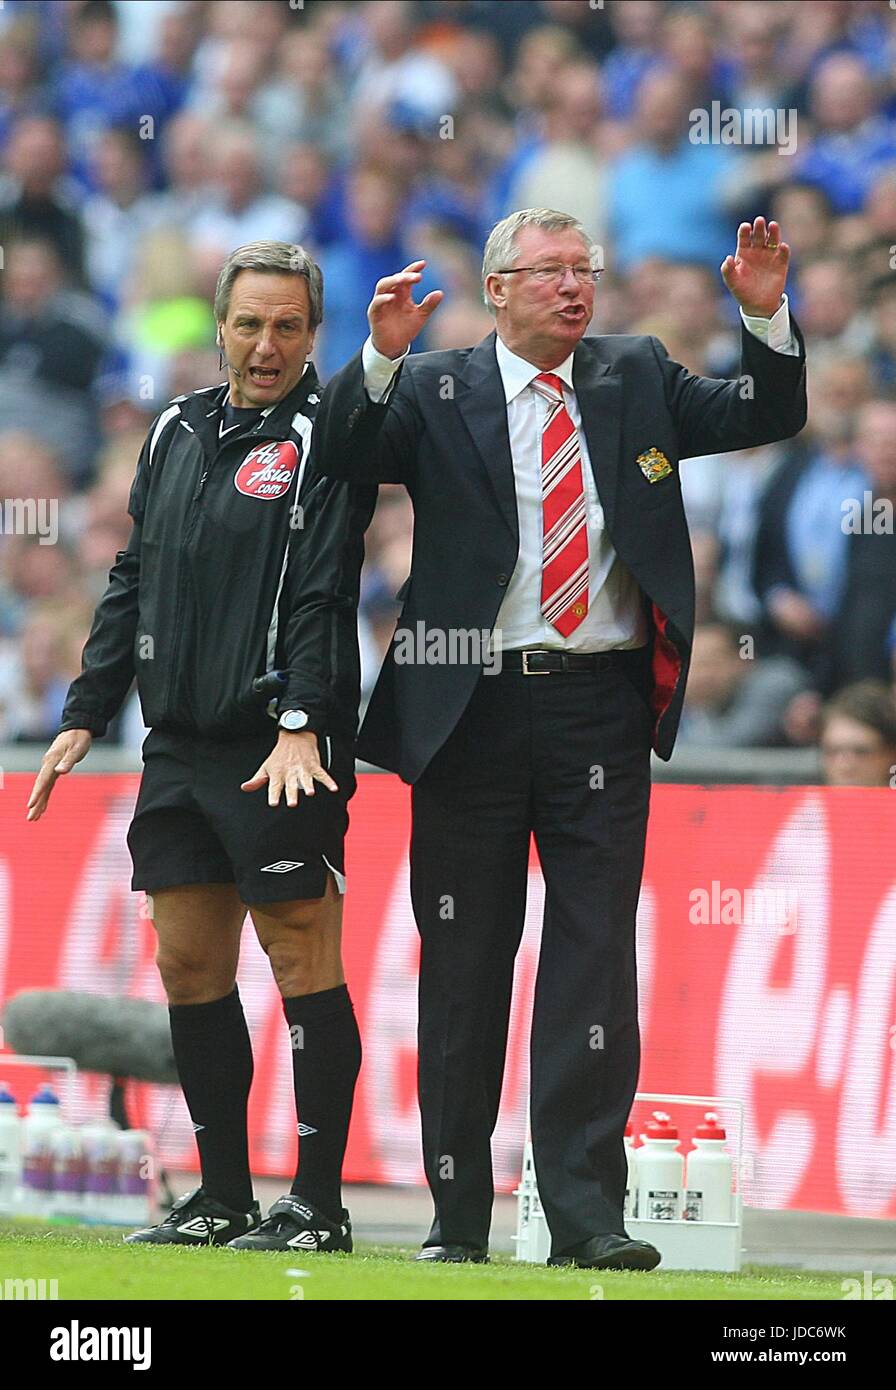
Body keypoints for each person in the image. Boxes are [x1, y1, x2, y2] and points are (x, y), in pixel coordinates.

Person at [309, 207, 807, 1269]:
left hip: (599, 705)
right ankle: (455, 1219)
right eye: (548, 273)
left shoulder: (636, 373)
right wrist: (379, 358)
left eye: (584, 269)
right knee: (463, 966)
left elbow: (764, 414)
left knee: (591, 964)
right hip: (468, 708)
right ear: (495, 288)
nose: (573, 287)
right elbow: (345, 452)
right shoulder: (439, 388)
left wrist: (761, 315)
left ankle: (585, 1216)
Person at [26, 240, 377, 1253]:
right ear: (218, 327)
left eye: (288, 327)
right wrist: (86, 707)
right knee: (187, 964)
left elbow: (322, 585)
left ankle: (316, 1202)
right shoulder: (175, 429)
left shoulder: (326, 435)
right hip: (174, 745)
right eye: (248, 323)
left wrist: (304, 715)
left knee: (301, 954)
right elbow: (133, 574)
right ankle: (222, 1194)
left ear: (313, 334)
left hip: (280, 744)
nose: (266, 345)